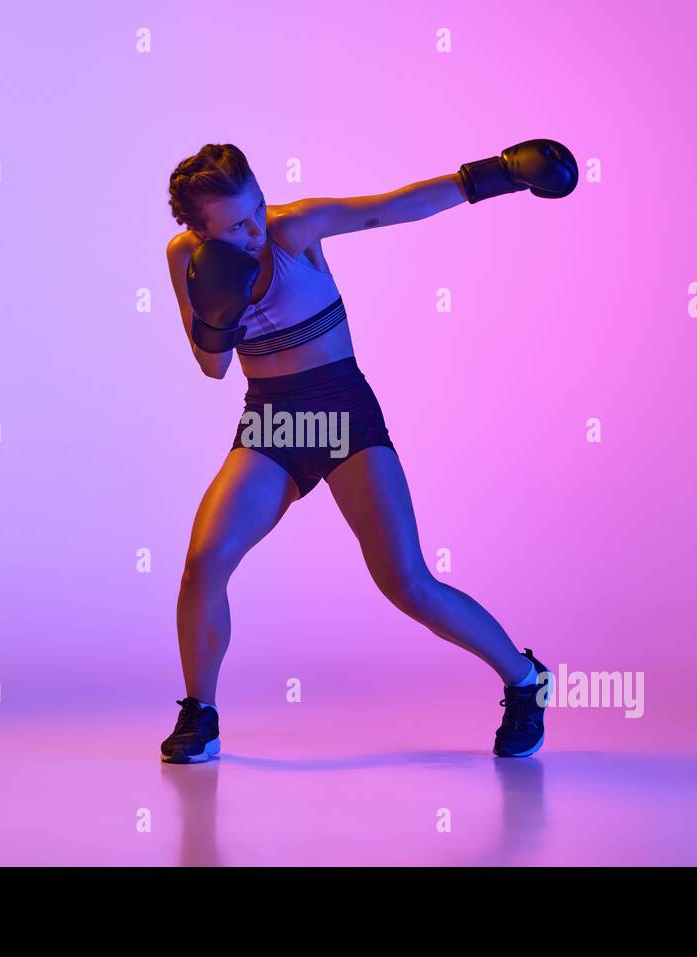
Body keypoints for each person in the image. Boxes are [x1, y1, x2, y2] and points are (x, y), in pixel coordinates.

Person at [161, 141, 577, 763]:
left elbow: (394, 208)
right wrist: (215, 320)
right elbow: (213, 369)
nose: (253, 231)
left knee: (406, 581)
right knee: (205, 560)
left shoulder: (295, 228)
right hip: (272, 422)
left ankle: (525, 679)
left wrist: (499, 175)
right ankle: (201, 716)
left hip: (345, 412)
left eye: (255, 211)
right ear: (199, 230)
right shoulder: (185, 257)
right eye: (234, 227)